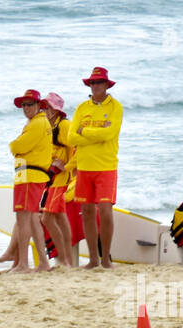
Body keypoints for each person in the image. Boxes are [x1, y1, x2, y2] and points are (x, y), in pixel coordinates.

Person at [67, 67, 123, 269]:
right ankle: (92, 259)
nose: (96, 86)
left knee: (106, 211)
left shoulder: (115, 106)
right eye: (92, 82)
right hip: (84, 166)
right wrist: (95, 132)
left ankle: (106, 258)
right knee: (87, 212)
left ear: (107, 84)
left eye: (99, 82)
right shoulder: (82, 108)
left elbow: (109, 135)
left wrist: (84, 131)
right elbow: (71, 137)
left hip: (106, 166)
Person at [6, 89, 52, 273]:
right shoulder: (38, 122)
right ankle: (43, 262)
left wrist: (14, 145)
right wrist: (17, 146)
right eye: (24, 105)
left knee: (23, 217)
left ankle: (24, 263)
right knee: (31, 219)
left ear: (38, 105)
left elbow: (19, 146)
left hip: (30, 175)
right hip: (31, 175)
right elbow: (21, 146)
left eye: (29, 104)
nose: (26, 108)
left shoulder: (37, 123)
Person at [40, 92, 76, 268]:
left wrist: (67, 167)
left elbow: (76, 148)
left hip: (62, 180)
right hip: (51, 178)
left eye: (47, 107)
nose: (44, 110)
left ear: (56, 110)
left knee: (46, 219)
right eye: (43, 107)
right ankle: (68, 261)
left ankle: (63, 260)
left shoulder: (65, 125)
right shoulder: (48, 125)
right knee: (61, 218)